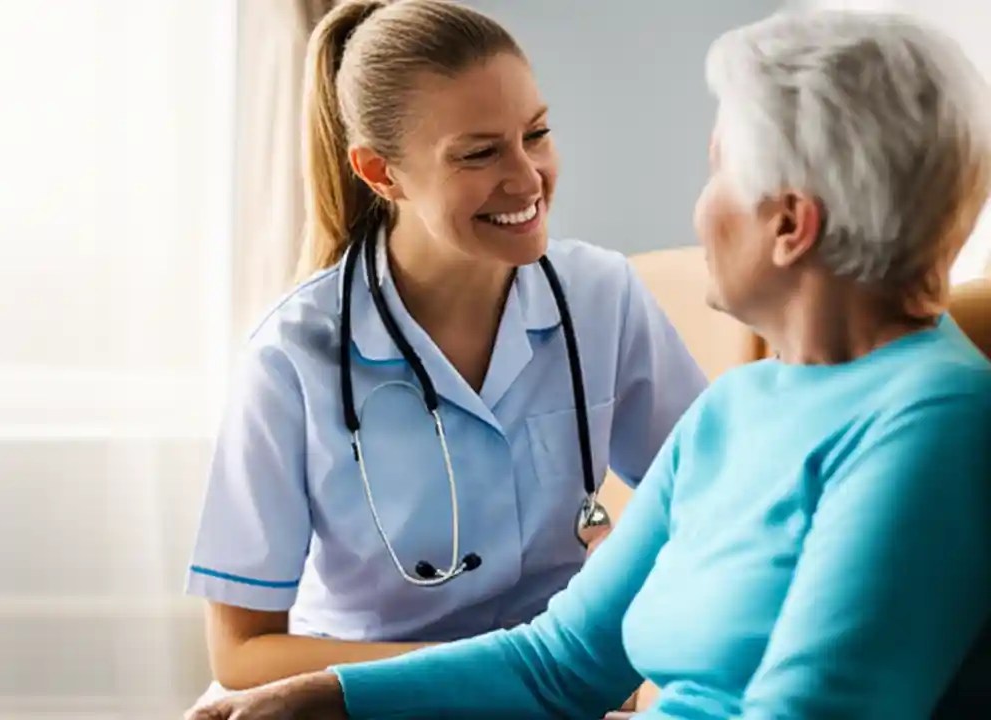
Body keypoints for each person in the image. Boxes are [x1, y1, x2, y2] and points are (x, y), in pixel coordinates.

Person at [187, 8, 991, 719]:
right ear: (381, 171)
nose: (697, 206)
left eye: (718, 168)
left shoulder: (937, 423)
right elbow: (560, 661)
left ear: (788, 224)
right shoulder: (737, 408)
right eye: (479, 152)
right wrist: (325, 697)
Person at [184, 0, 706, 697]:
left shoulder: (601, 296)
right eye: (480, 153)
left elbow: (717, 502)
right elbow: (243, 654)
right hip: (361, 701)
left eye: (538, 134)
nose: (526, 178)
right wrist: (477, 679)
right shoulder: (292, 357)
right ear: (381, 172)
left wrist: (637, 572)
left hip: (554, 695)